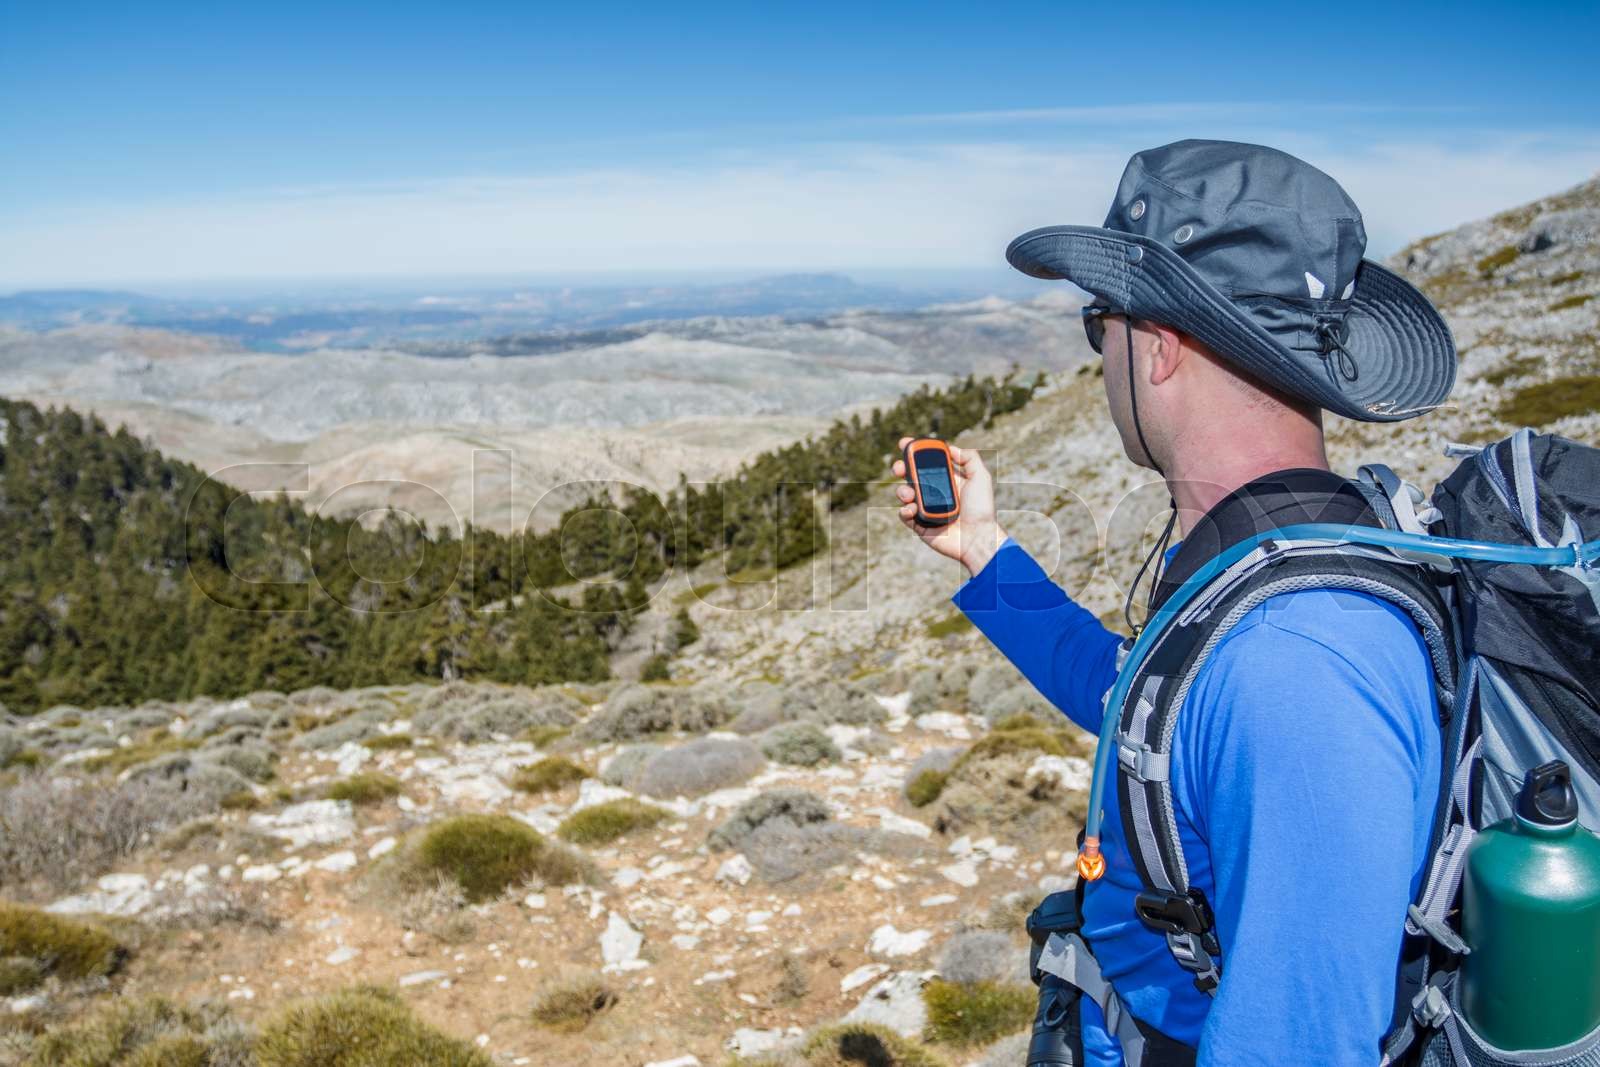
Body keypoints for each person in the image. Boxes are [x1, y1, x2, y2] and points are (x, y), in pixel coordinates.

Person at [893, 141, 1457, 1065]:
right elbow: (1142, 703)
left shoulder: (1295, 660)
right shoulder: (1274, 558)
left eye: (1098, 325)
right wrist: (980, 549)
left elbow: (1296, 1046)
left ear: (1158, 345)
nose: (1099, 353)